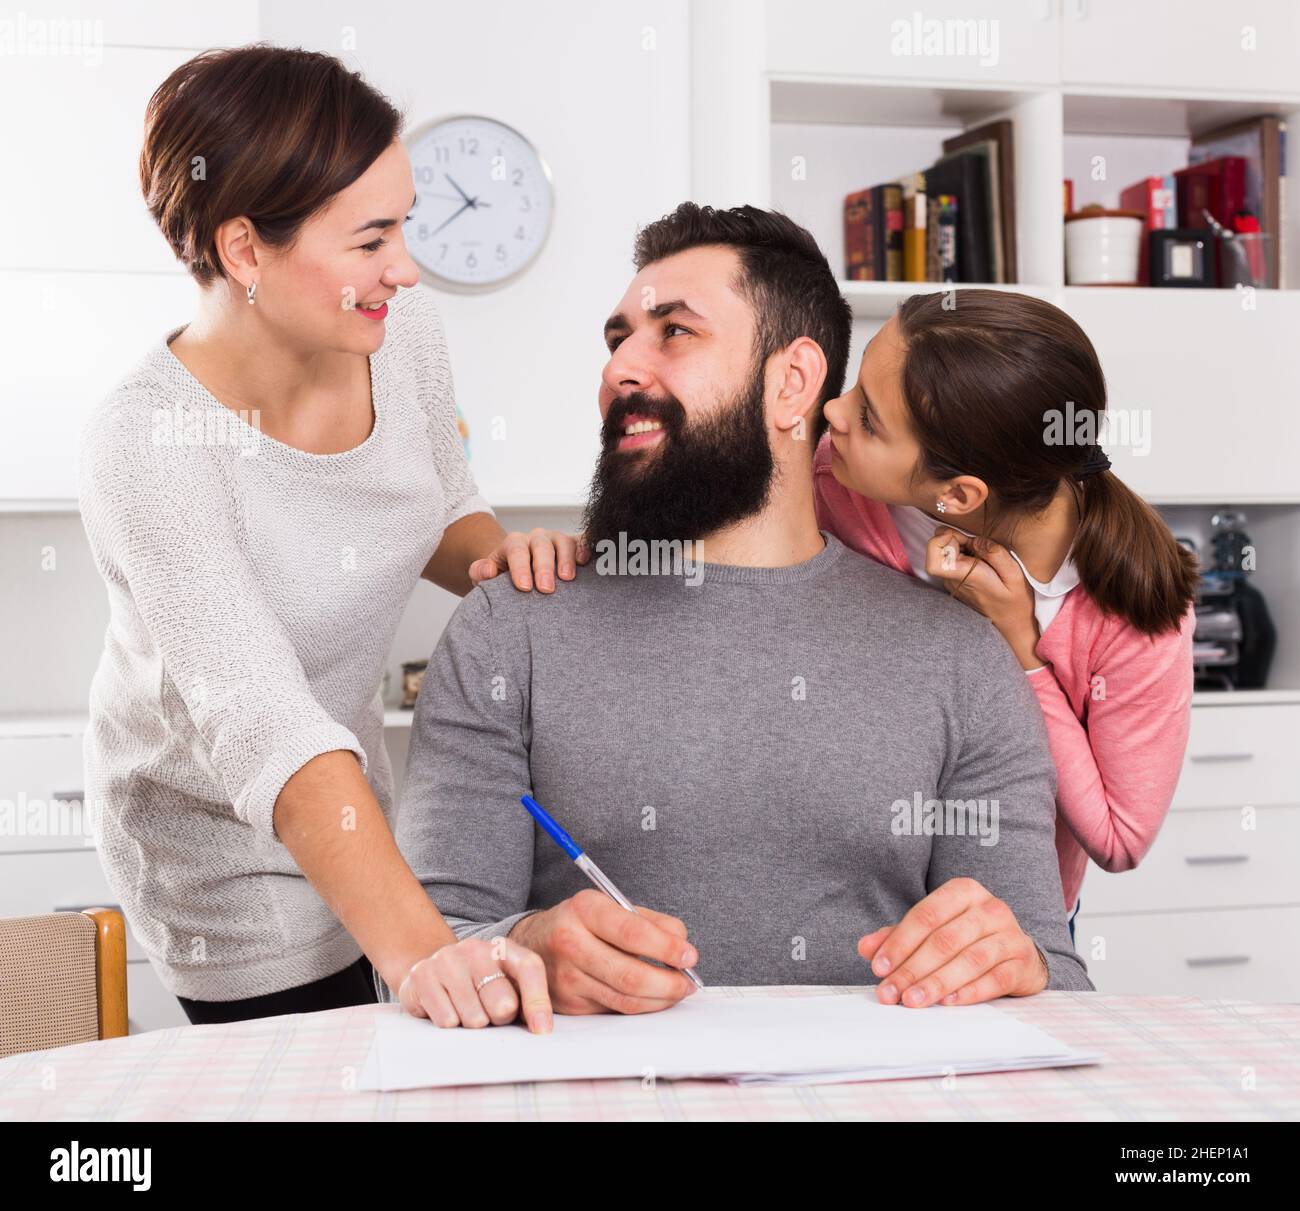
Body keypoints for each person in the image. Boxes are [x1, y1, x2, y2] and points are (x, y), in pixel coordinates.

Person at [393, 203, 1092, 1020]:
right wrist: (521, 947)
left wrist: (1014, 962)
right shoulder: (509, 629)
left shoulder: (963, 658)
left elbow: (1058, 980)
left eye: (674, 332)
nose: (623, 366)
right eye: (618, 338)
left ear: (792, 382)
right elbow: (425, 952)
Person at [78, 45, 581, 1028]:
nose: (405, 266)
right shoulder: (147, 440)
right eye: (372, 238)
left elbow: (440, 502)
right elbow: (266, 722)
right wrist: (429, 950)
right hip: (218, 842)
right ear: (244, 250)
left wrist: (499, 559)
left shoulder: (398, 334)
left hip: (352, 802)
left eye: (407, 227)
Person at [813, 291, 1197, 944]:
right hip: (855, 898)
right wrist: (596, 551)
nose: (831, 412)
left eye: (869, 419)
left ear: (959, 494)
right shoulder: (836, 476)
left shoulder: (1135, 615)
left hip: (1004, 930)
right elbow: (712, 510)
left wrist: (1022, 651)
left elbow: (1119, 837)